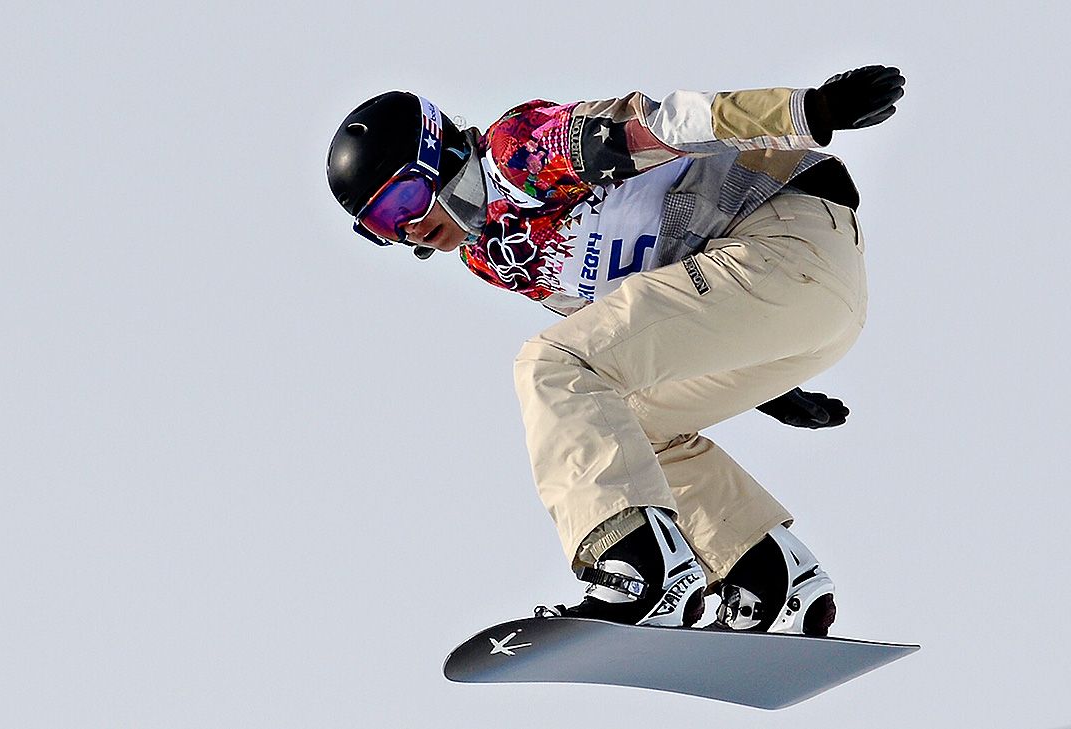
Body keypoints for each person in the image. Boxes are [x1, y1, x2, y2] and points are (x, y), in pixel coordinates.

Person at [325, 67, 905, 636]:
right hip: (799, 305)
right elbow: (624, 329)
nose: (408, 230)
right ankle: (768, 578)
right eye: (383, 225)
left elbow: (666, 126)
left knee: (550, 366)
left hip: (782, 237)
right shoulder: (494, 256)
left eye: (404, 200)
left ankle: (638, 570)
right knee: (623, 422)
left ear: (440, 154)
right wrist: (765, 384)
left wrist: (806, 111)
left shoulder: (516, 154)